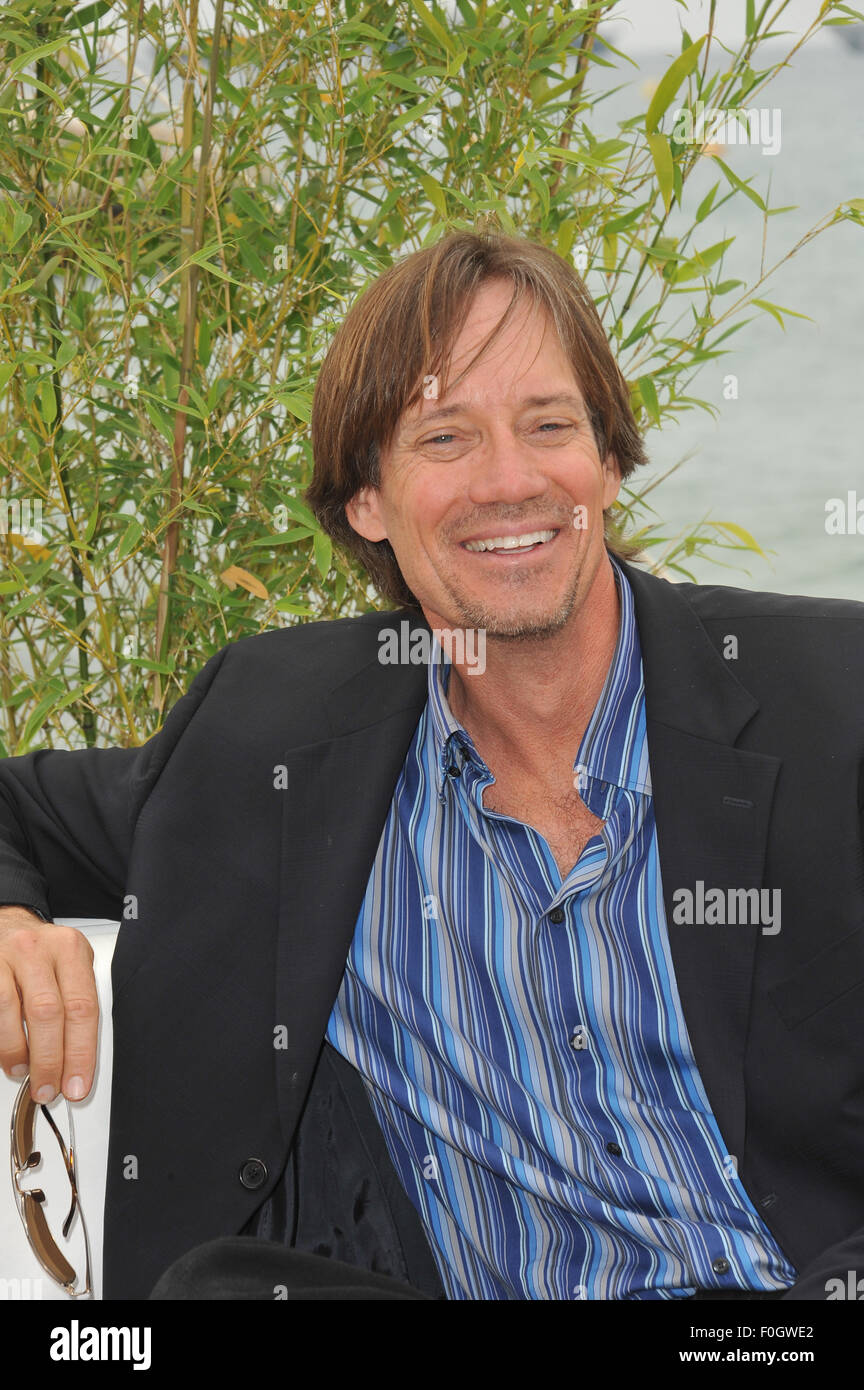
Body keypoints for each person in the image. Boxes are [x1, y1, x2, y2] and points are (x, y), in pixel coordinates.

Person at [0, 231, 862, 1301]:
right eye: (446, 436)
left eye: (549, 424)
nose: (510, 480)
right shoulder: (274, 742)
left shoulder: (833, 700)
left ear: (608, 460)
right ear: (367, 501)